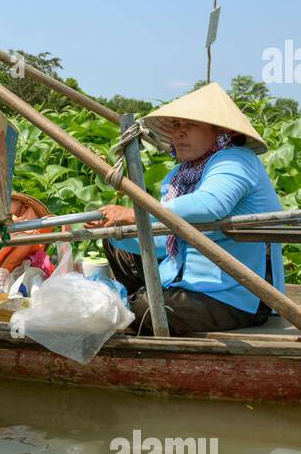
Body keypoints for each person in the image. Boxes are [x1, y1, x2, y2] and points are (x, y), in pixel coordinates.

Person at [87, 82, 285, 336]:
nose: (179, 133)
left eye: (190, 125)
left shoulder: (236, 159)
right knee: (117, 243)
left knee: (131, 312)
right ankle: (142, 301)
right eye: (176, 126)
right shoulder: (179, 175)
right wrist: (119, 229)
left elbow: (212, 204)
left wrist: (136, 214)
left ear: (220, 130)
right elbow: (166, 243)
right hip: (188, 285)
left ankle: (140, 306)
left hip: (238, 296)